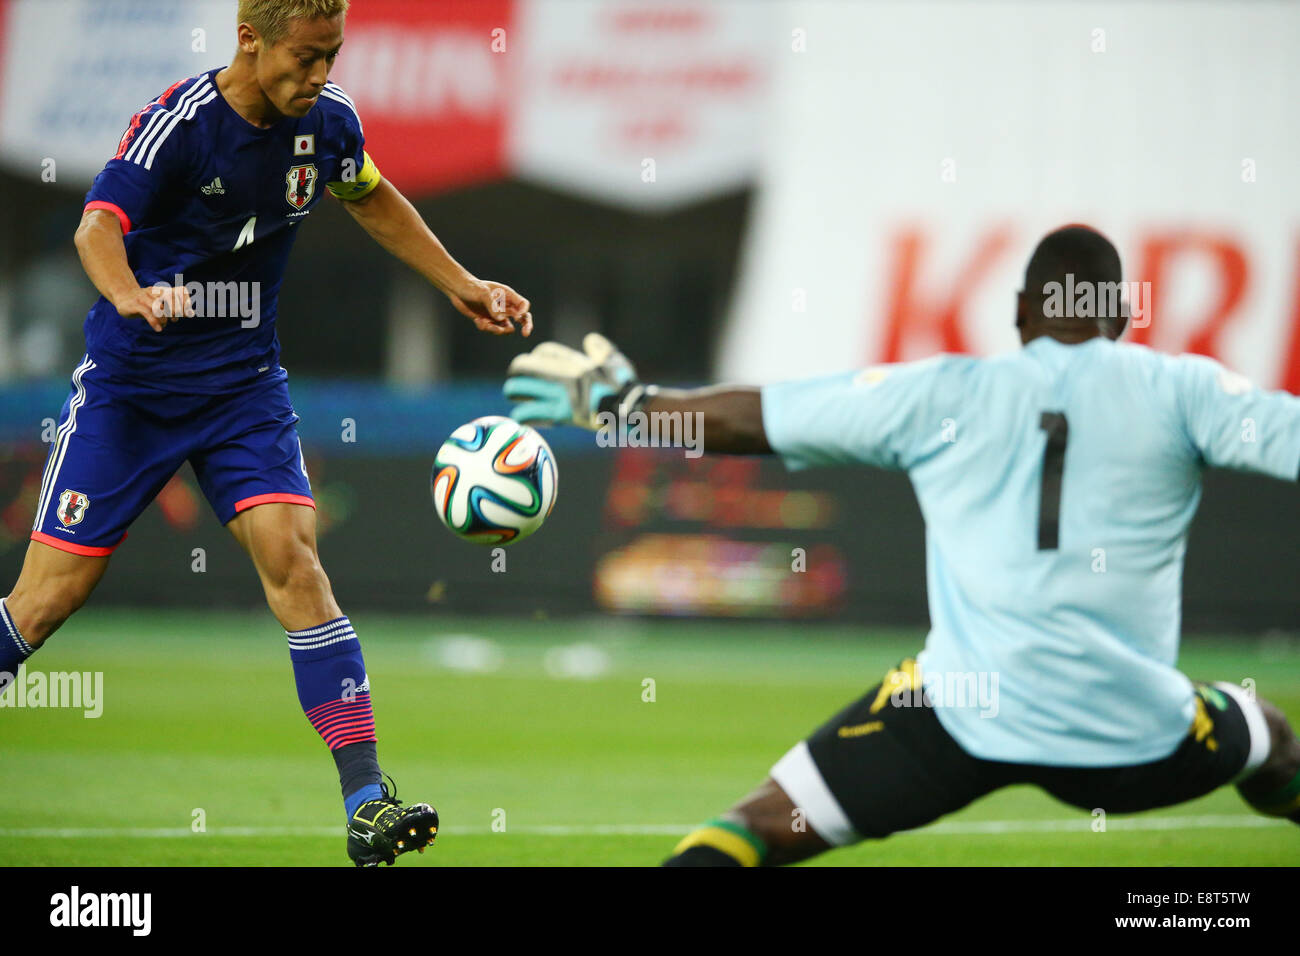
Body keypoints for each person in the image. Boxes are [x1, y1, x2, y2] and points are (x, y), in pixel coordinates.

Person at [504, 225, 1300, 866]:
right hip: (1133, 728)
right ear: (1121, 317)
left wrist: (621, 405)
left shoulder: (942, 394)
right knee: (1269, 735)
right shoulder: (1184, 391)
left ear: (1020, 312)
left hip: (955, 714)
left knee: (757, 827)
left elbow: (748, 421)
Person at [0, 0, 531, 867]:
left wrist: (460, 283)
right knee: (46, 602)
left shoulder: (327, 124)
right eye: (306, 58)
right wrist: (130, 293)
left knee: (297, 564)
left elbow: (371, 196)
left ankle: (366, 805)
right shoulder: (178, 126)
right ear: (250, 39)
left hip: (244, 390)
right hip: (134, 390)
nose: (320, 76)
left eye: (333, 57)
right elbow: (97, 225)